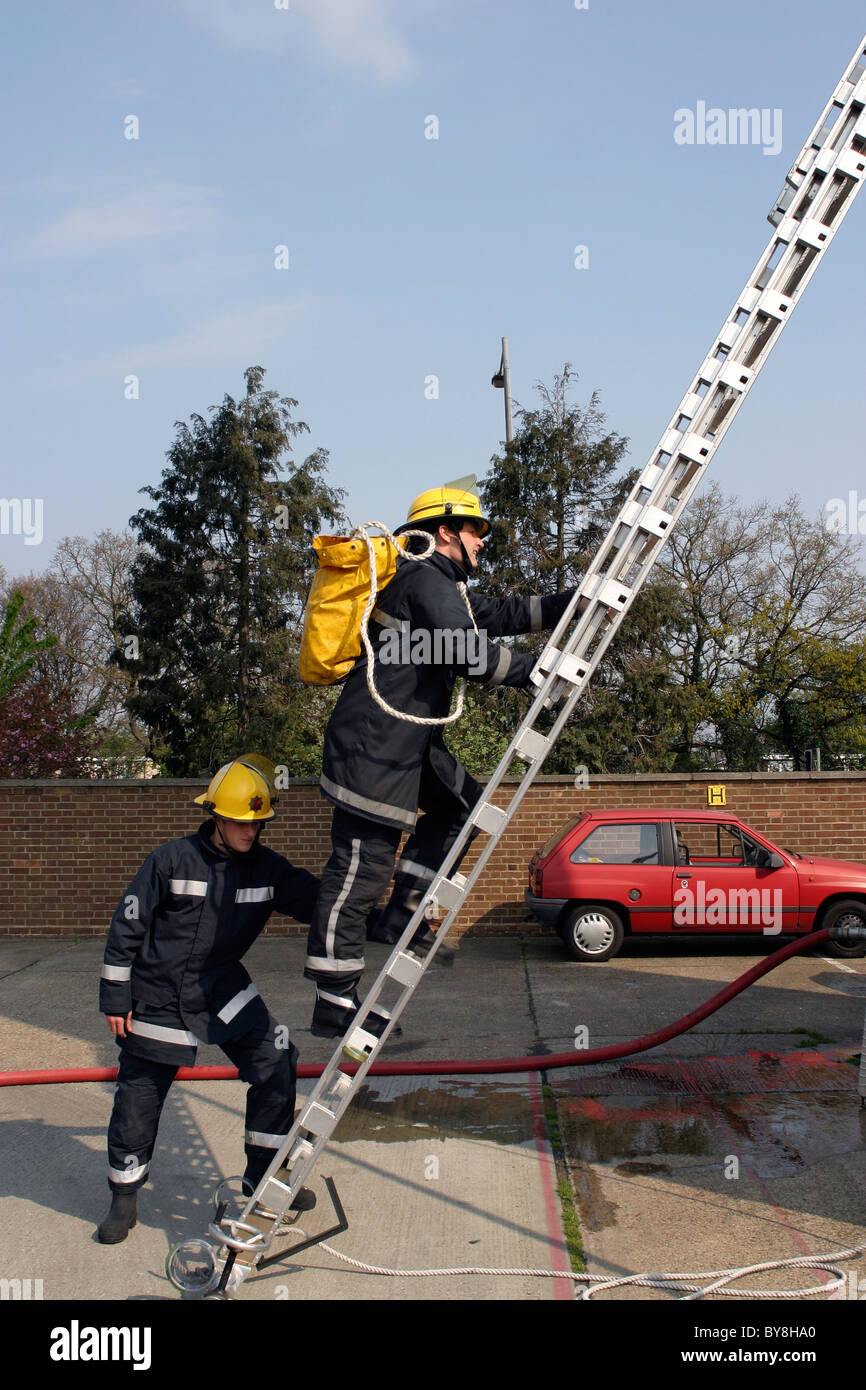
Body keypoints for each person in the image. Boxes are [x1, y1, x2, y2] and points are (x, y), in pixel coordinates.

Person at [305, 478, 578, 1038]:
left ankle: (404, 910)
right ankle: (333, 999)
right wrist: (537, 672)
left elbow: (494, 615)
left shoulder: (438, 585)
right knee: (359, 873)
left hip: (405, 745)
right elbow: (465, 651)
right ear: (445, 531)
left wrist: (570, 601)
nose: (482, 542)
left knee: (463, 807)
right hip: (373, 751)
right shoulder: (423, 579)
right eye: (475, 531)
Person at [96, 754, 319, 1244]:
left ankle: (266, 1177)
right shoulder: (170, 860)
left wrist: (389, 916)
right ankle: (124, 1195)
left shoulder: (268, 869)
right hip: (158, 993)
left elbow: (322, 905)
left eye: (257, 824)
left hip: (222, 988)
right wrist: (116, 997)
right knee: (140, 1093)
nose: (249, 832)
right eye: (240, 823)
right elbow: (126, 925)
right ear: (216, 816)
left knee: (276, 1058)